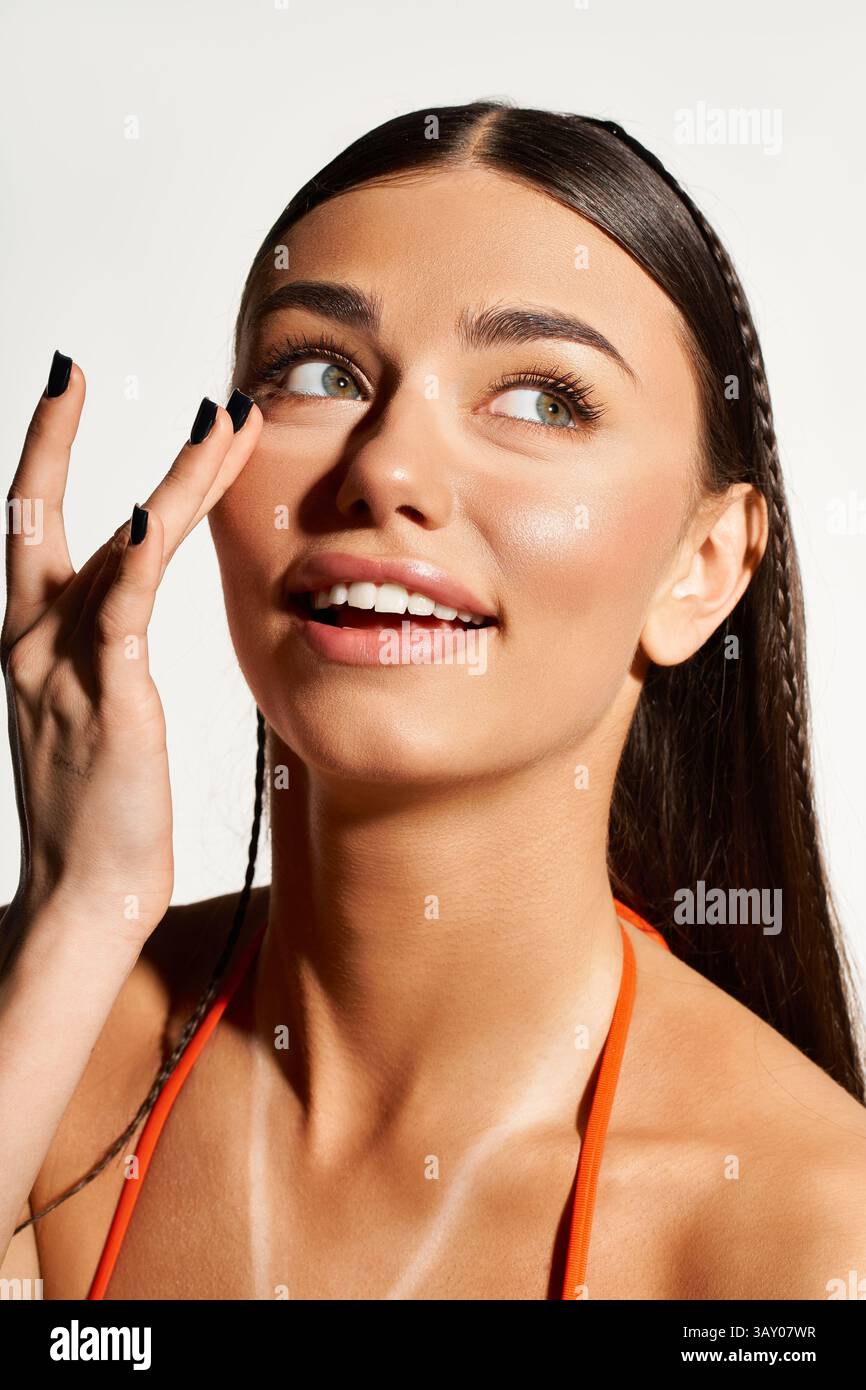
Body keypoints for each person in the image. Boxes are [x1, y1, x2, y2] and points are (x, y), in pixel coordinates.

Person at [1, 101, 864, 1301]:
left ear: (700, 568)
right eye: (317, 373)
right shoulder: (41, 1039)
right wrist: (79, 910)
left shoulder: (806, 1242)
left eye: (541, 399)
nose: (390, 469)